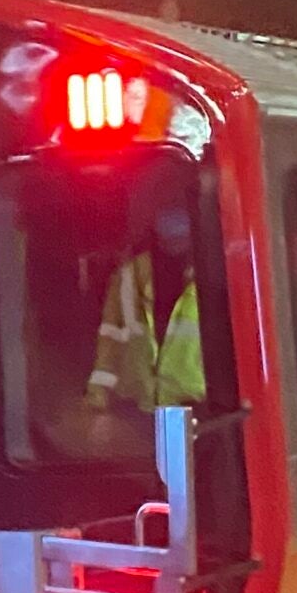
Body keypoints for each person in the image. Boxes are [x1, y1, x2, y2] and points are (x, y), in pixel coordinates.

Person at [83, 194, 204, 456]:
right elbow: (110, 334)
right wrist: (98, 396)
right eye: (170, 238)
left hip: (198, 406)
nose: (175, 245)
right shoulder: (130, 274)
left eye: (181, 238)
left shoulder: (215, 271)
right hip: (140, 405)